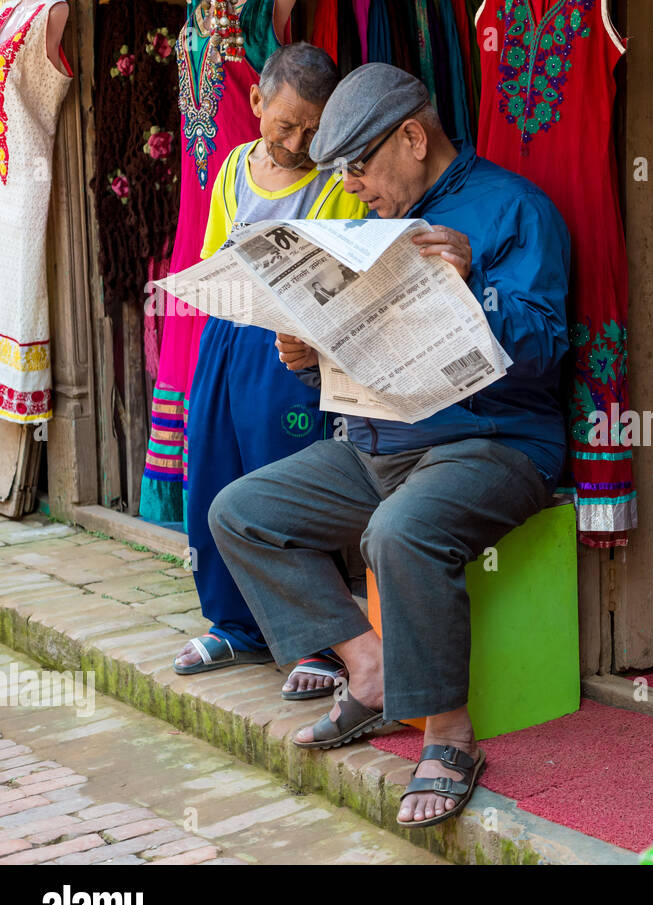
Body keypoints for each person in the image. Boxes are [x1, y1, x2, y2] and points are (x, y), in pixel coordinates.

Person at [209, 63, 571, 828]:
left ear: (413, 137)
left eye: (360, 166)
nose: (354, 186)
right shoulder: (367, 228)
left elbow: (544, 347)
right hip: (383, 445)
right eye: (341, 171)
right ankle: (369, 668)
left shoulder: (515, 210)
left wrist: (468, 292)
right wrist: (312, 358)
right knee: (241, 511)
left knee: (398, 531)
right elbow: (368, 362)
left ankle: (449, 736)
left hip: (495, 444)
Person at [172, 43, 369, 701]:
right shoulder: (232, 168)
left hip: (291, 348)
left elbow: (347, 274)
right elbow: (212, 252)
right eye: (285, 125)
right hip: (228, 335)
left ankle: (318, 639)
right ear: (256, 101)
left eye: (313, 130)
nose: (296, 142)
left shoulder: (336, 183)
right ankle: (235, 624)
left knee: (279, 478)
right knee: (215, 469)